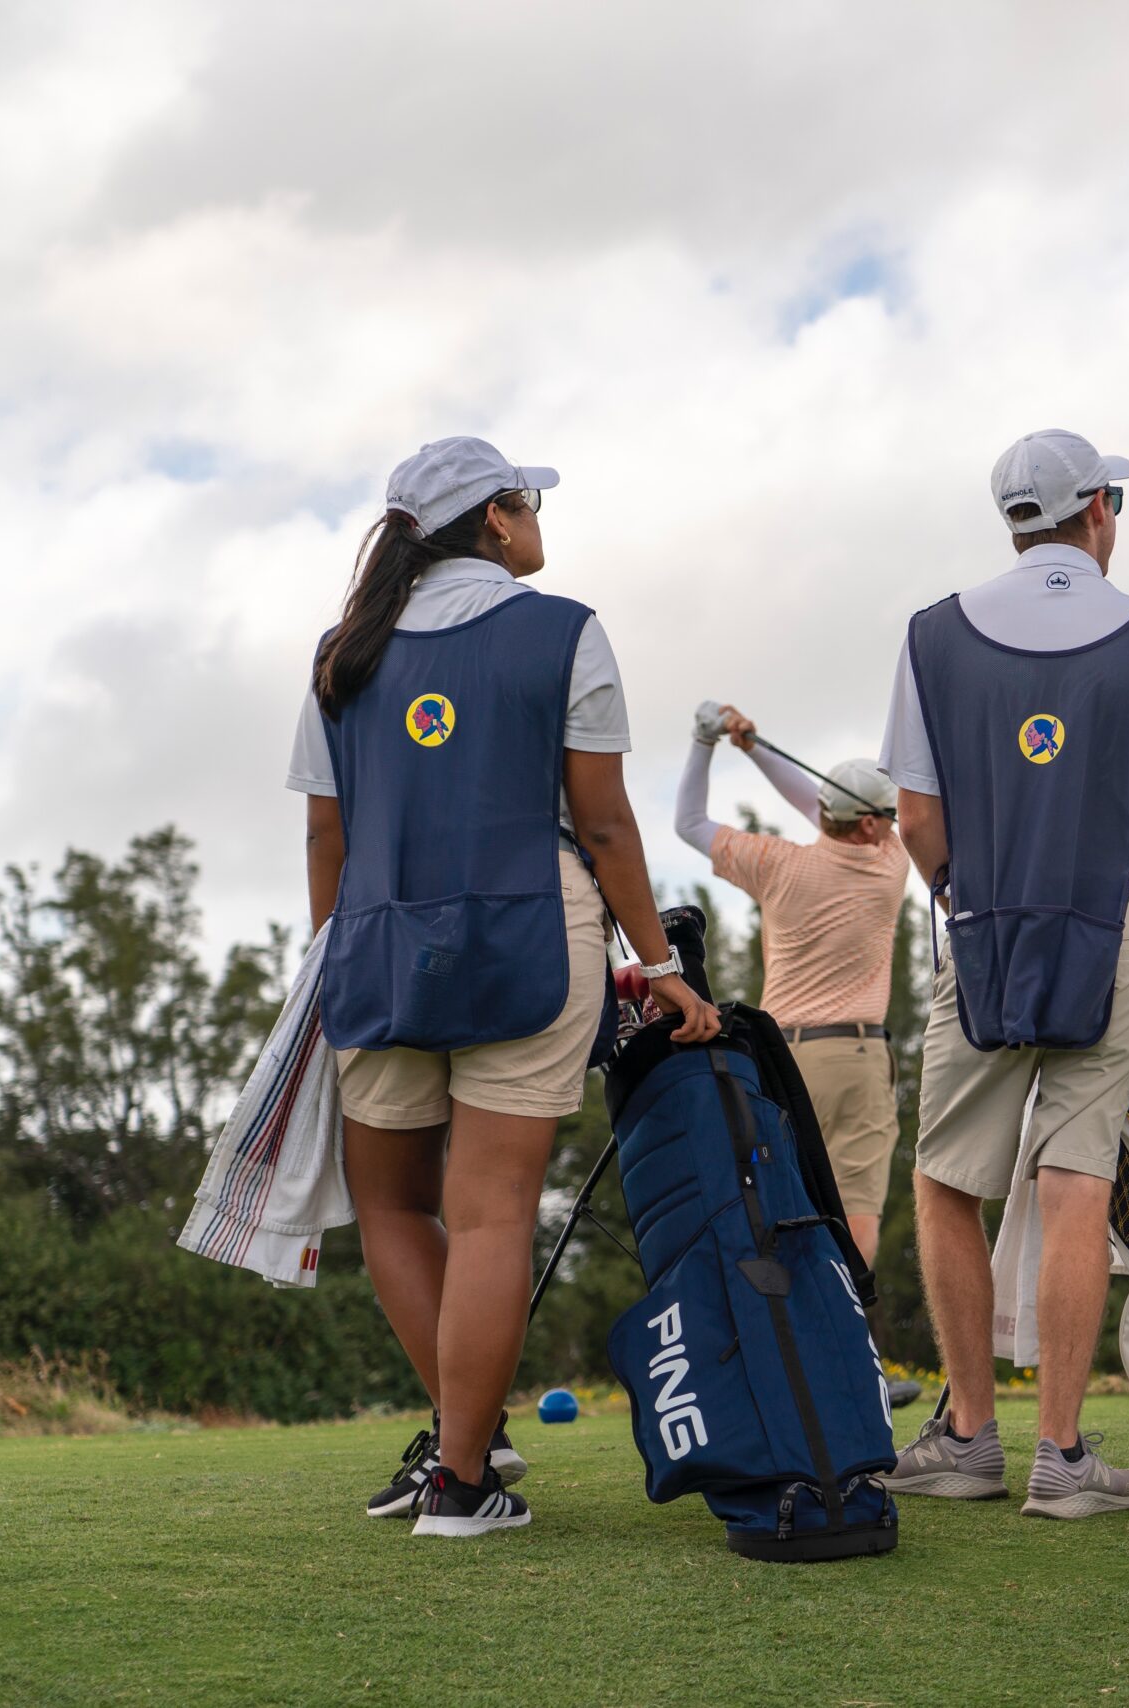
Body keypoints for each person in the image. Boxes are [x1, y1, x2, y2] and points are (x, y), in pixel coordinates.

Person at [290, 436, 719, 1538]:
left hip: (377, 943)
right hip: (533, 932)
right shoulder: (563, 630)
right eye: (526, 501)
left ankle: (461, 1449)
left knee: (392, 1204)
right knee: (490, 1217)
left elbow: (328, 833)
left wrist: (329, 959)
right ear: (494, 518)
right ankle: (462, 1475)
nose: (536, 519)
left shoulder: (344, 651)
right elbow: (607, 824)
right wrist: (661, 967)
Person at [877, 429, 1129, 1519]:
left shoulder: (931, 634)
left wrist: (965, 904)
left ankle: (969, 1438)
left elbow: (915, 819)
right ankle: (1060, 1458)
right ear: (1098, 508)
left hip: (981, 928)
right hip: (1111, 927)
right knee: (1076, 1178)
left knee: (946, 1179)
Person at [674, 707, 910, 1265]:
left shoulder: (774, 864)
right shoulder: (889, 866)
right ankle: (848, 1313)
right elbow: (816, 805)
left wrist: (707, 741)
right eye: (890, 815)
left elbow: (689, 822)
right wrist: (756, 748)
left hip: (778, 1059)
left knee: (775, 1205)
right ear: (870, 826)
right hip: (854, 1059)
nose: (896, 823)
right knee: (855, 1212)